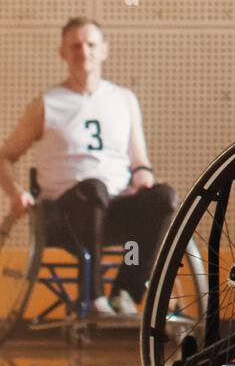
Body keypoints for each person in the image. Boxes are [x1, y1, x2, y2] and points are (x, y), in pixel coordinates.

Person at [0, 18, 178, 317]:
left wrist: (144, 178)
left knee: (164, 196)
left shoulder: (123, 100)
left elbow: (140, 163)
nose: (84, 51)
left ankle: (126, 289)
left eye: (91, 45)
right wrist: (16, 194)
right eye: (76, 46)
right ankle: (94, 297)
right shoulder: (46, 104)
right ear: (63, 53)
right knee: (94, 187)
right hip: (63, 216)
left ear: (104, 50)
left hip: (114, 209)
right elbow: (5, 155)